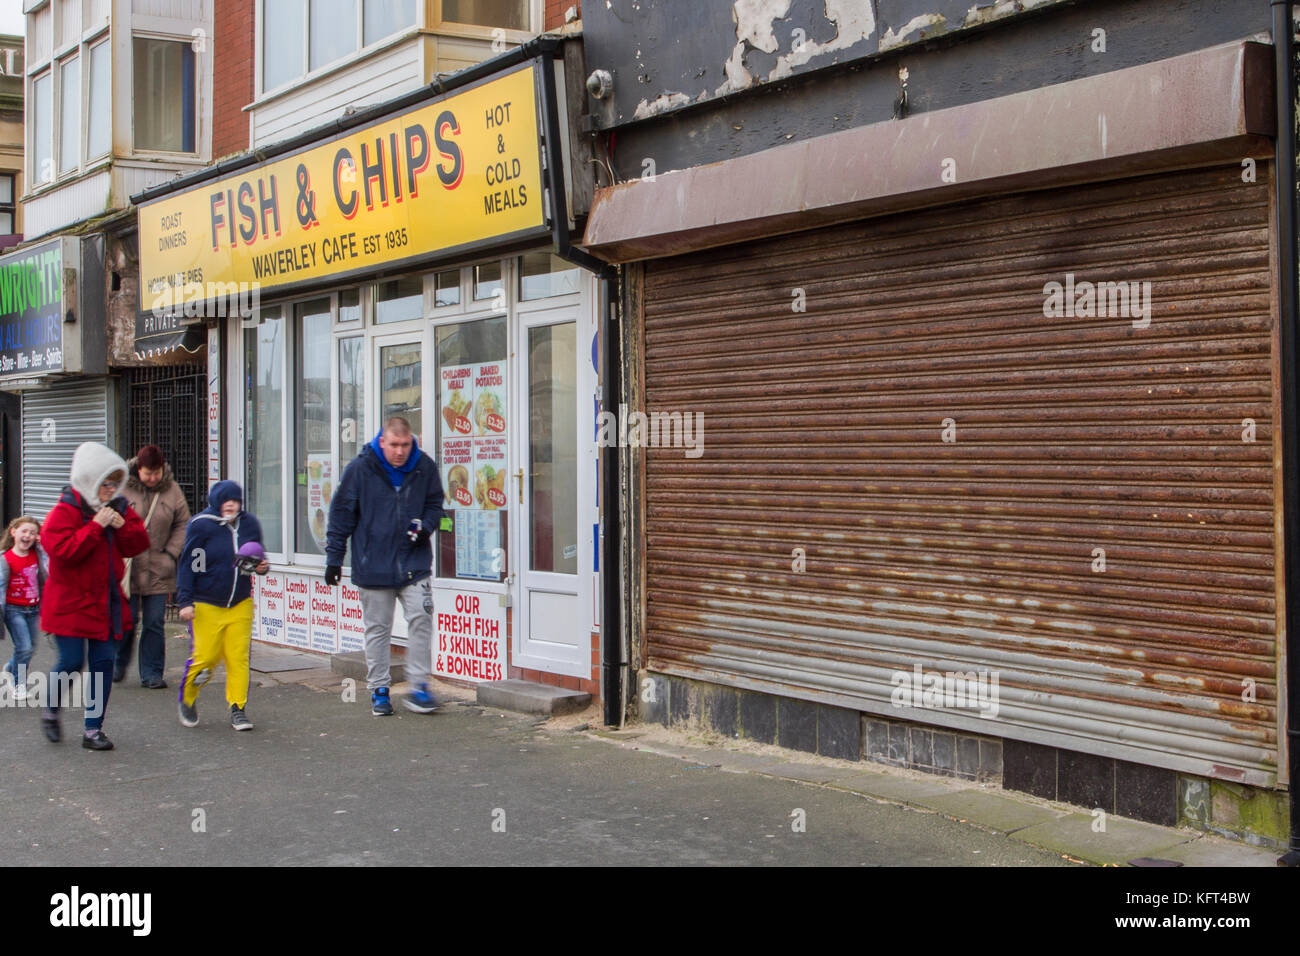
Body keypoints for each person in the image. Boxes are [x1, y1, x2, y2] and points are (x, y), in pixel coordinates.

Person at [325, 417, 445, 716]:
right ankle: (379, 689)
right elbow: (341, 515)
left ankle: (419, 687)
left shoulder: (424, 467)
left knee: (421, 620)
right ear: (382, 441)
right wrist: (334, 559)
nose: (400, 451)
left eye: (405, 445)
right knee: (378, 629)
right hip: (373, 563)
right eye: (394, 445)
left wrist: (425, 525)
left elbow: (435, 504)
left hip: (414, 562)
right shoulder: (360, 469)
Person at [39, 442, 150, 750]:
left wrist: (120, 525)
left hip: (106, 601)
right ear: (90, 479)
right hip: (70, 602)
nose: (111, 489)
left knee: (103, 663)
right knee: (72, 660)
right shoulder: (64, 510)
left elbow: (137, 544)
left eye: (116, 483)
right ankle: (50, 710)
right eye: (106, 483)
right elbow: (62, 552)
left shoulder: (120, 507)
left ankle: (92, 730)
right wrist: (96, 527)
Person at [175, 481, 267, 731]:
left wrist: (262, 567)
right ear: (216, 503)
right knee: (205, 658)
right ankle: (188, 697)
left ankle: (238, 708)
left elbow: (259, 559)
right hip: (207, 604)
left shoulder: (249, 524)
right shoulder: (202, 526)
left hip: (240, 603)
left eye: (236, 502)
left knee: (238, 658)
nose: (232, 506)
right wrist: (185, 601)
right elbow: (189, 565)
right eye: (227, 503)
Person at [115, 444, 191, 688]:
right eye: (148, 473)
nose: (152, 478)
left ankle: (152, 673)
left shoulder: (172, 490)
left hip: (159, 566)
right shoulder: (122, 487)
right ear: (139, 469)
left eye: (156, 473)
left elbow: (183, 523)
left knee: (155, 621)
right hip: (127, 566)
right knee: (127, 621)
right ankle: (118, 661)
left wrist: (171, 552)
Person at [0, 516, 49, 701]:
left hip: (33, 608)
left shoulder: (37, 554)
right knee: (24, 647)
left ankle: (11, 668)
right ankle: (18, 684)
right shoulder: (5, 559)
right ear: (13, 532)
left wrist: (41, 539)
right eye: (24, 531)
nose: (28, 536)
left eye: (32, 533)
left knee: (30, 647)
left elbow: (50, 553)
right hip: (14, 610)